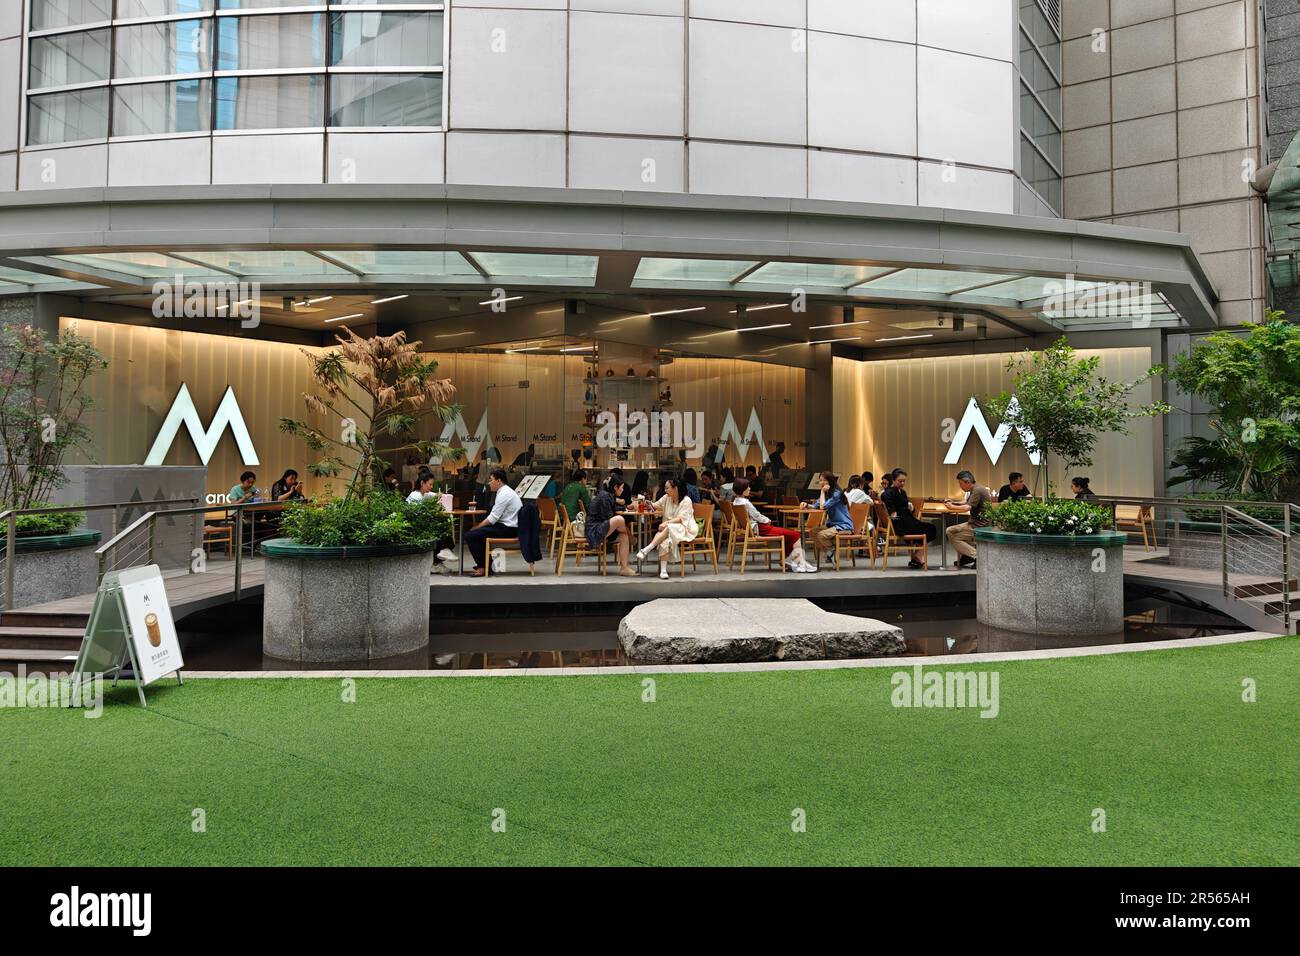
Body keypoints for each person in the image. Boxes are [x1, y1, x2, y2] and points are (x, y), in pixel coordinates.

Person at [732, 477, 815, 571]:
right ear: (742, 489)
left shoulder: (735, 502)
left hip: (753, 529)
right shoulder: (746, 503)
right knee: (795, 535)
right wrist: (768, 520)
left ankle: (790, 561)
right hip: (761, 528)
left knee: (787, 534)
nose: (749, 489)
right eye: (748, 487)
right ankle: (800, 563)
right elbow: (757, 515)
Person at [634, 476, 697, 579]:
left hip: (685, 528)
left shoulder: (686, 500)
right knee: (665, 539)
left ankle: (647, 549)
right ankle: (663, 571)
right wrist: (644, 502)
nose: (665, 490)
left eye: (667, 488)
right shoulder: (666, 498)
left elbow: (681, 519)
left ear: (675, 488)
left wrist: (666, 523)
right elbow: (655, 505)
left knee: (667, 528)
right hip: (669, 529)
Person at [464, 469, 521, 577]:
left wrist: (476, 527)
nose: (489, 483)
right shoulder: (504, 492)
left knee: (470, 535)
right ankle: (486, 566)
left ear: (499, 481)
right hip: (506, 526)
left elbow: (492, 519)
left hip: (508, 529)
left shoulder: (505, 494)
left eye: (491, 480)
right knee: (477, 535)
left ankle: (483, 567)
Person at [880, 468, 935, 569]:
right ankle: (916, 557)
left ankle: (916, 557)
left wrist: (911, 508)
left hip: (908, 520)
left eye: (904, 481)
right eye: (900, 481)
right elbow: (893, 512)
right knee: (931, 529)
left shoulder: (902, 492)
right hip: (901, 524)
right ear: (893, 480)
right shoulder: (888, 493)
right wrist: (897, 523)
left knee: (930, 528)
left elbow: (907, 509)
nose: (902, 483)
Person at [584, 482, 637, 576]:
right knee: (619, 519)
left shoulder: (607, 495)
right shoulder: (605, 496)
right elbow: (608, 516)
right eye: (621, 487)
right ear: (615, 487)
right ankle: (631, 537)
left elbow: (612, 508)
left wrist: (626, 507)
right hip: (594, 531)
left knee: (623, 536)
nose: (623, 490)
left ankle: (624, 568)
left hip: (601, 528)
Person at [943, 470, 993, 569]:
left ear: (967, 482)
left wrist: (951, 507)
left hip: (980, 526)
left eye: (960, 484)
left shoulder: (977, 490)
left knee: (951, 533)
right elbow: (965, 502)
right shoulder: (976, 488)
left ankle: (977, 556)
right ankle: (967, 556)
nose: (960, 486)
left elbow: (967, 507)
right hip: (975, 523)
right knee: (951, 531)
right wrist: (953, 502)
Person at [805, 471, 851, 565]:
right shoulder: (827, 493)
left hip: (843, 525)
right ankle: (831, 552)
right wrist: (806, 505)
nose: (821, 482)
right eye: (820, 480)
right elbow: (817, 505)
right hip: (832, 525)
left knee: (821, 535)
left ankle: (831, 553)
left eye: (824, 480)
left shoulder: (836, 494)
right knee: (813, 532)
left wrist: (822, 492)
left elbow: (822, 507)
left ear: (830, 481)